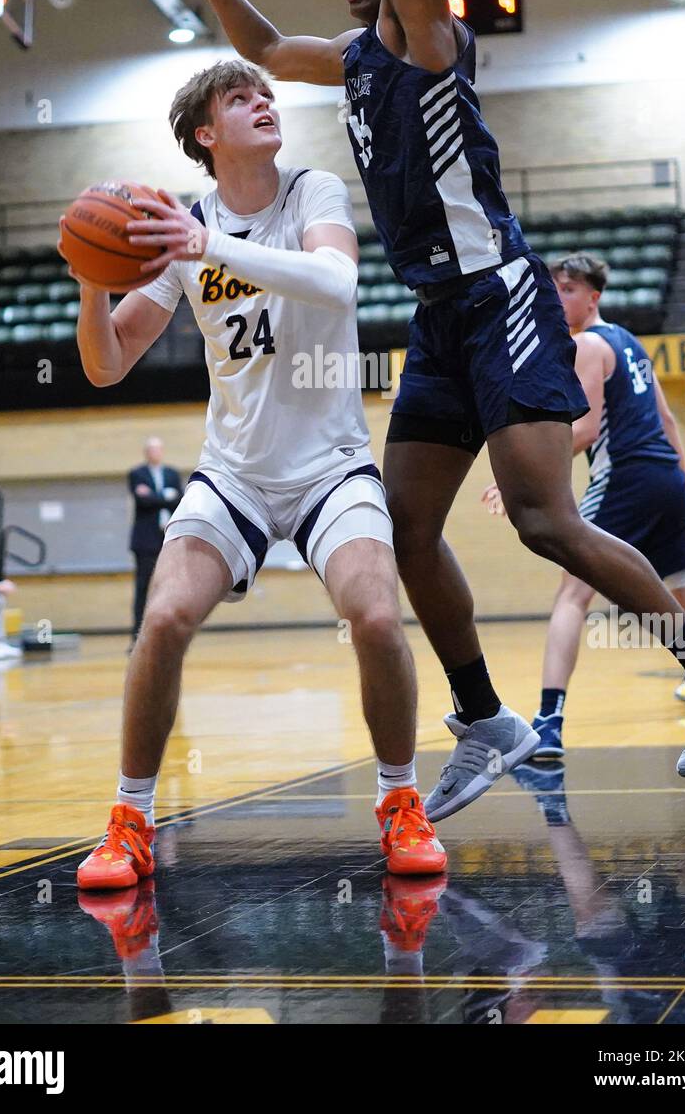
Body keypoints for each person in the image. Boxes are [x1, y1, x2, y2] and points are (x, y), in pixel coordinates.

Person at [133, 0, 685, 813]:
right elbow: (258, 43)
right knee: (406, 528)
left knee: (542, 520)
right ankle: (486, 717)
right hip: (436, 315)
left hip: (499, 294)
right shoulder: (353, 59)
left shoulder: (427, 29)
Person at [60, 58, 447, 890]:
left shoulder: (311, 193)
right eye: (241, 99)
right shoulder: (181, 230)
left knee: (377, 617)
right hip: (234, 471)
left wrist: (210, 246)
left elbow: (337, 282)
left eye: (266, 94)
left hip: (329, 466)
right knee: (163, 618)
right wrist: (92, 288)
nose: (264, 103)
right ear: (206, 133)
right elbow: (106, 364)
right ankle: (130, 821)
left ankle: (400, 801)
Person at [482, 255, 685, 758]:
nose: (557, 297)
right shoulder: (631, 342)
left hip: (625, 478)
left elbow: (584, 430)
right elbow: (667, 419)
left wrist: (517, 478)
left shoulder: (586, 345)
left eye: (569, 289)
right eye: (554, 288)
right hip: (664, 479)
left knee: (571, 596)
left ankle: (549, 721)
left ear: (593, 297)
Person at [128, 439, 181, 642]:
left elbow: (179, 500)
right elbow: (142, 501)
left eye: (158, 449)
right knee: (143, 587)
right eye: (151, 449)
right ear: (146, 452)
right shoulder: (137, 474)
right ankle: (137, 636)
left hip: (168, 538)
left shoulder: (172, 474)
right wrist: (165, 497)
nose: (155, 452)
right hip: (146, 541)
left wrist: (154, 496)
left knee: (170, 586)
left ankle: (168, 633)